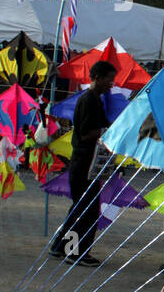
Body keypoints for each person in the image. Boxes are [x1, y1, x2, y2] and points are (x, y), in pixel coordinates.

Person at [50, 60, 117, 266]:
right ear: (97, 77)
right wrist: (107, 131)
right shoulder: (88, 100)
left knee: (79, 207)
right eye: (108, 79)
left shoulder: (96, 99)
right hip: (83, 161)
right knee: (87, 210)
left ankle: (60, 246)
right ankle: (76, 253)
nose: (111, 84)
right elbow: (86, 133)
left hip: (85, 162)